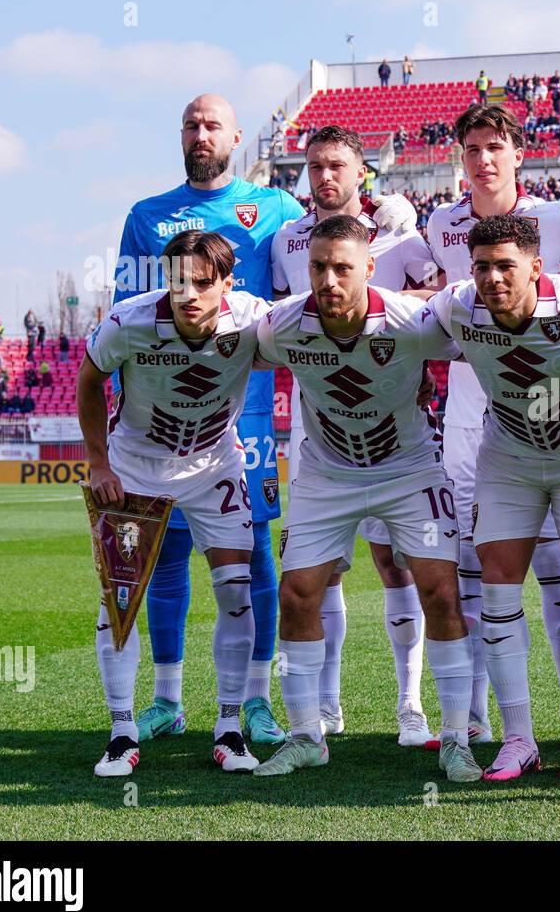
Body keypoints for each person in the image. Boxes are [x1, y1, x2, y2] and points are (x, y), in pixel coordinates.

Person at [252, 215, 481, 782]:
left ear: (370, 268)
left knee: (440, 590)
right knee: (298, 592)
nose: (328, 280)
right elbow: (232, 357)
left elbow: (481, 339)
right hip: (327, 475)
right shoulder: (283, 326)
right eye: (318, 267)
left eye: (342, 268)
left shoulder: (411, 321)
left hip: (409, 469)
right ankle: (307, 734)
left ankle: (455, 739)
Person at [115, 93, 307, 748]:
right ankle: (167, 700)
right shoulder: (147, 217)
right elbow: (126, 323)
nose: (201, 134)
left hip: (246, 416)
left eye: (212, 125)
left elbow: (302, 302)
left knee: (252, 558)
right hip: (162, 425)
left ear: (236, 135)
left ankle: (254, 699)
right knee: (162, 553)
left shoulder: (279, 209)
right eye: (191, 125)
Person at [427, 215, 560, 782]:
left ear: (537, 267)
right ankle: (518, 738)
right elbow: (398, 327)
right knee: (496, 590)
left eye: (505, 266)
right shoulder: (458, 305)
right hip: (508, 458)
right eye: (482, 267)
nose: (492, 278)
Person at [421, 104, 560, 746]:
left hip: (553, 416)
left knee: (558, 574)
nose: (483, 159)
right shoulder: (440, 225)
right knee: (474, 572)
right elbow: (425, 302)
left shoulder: (558, 222)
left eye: (495, 146)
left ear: (518, 153)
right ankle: (473, 715)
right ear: (460, 158)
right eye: (472, 149)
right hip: (470, 420)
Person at [78, 230, 269, 777]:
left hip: (214, 468)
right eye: (178, 281)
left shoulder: (254, 318)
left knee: (236, 591)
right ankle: (121, 733)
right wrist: (99, 463)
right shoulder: (130, 322)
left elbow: (312, 346)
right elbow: (90, 379)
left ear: (228, 283)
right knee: (120, 598)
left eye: (203, 283)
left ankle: (229, 727)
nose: (189, 294)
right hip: (136, 467)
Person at [270, 126, 438, 744]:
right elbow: (278, 317)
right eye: (314, 166)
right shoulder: (287, 240)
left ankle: (410, 705)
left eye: (336, 165)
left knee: (397, 564)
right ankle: (327, 707)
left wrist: (404, 356)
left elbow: (441, 301)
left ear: (362, 171)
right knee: (321, 570)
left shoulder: (400, 230)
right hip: (321, 424)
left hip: (394, 419)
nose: (323, 177)